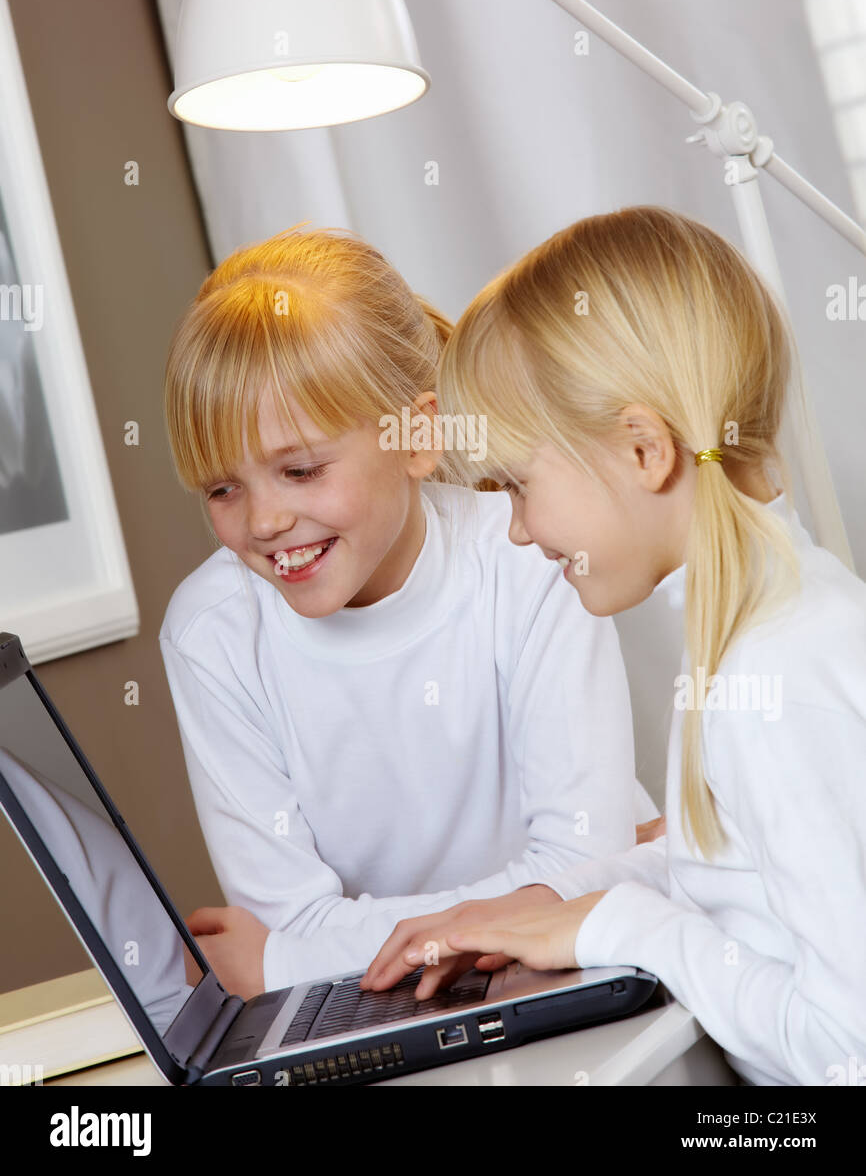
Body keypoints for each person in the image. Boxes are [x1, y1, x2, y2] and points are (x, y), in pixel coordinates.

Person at [361, 205, 866, 1088]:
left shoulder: (775, 680)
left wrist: (622, 927)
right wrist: (548, 906)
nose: (516, 531)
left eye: (519, 486)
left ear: (642, 450)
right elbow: (738, 866)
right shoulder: (772, 624)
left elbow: (846, 1052)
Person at [158, 226, 658, 998]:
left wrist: (296, 959)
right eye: (222, 489)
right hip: (392, 993)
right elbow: (287, 916)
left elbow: (582, 870)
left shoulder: (532, 561)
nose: (261, 522)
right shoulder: (212, 635)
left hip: (582, 966)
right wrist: (515, 905)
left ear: (417, 435)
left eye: (300, 470)